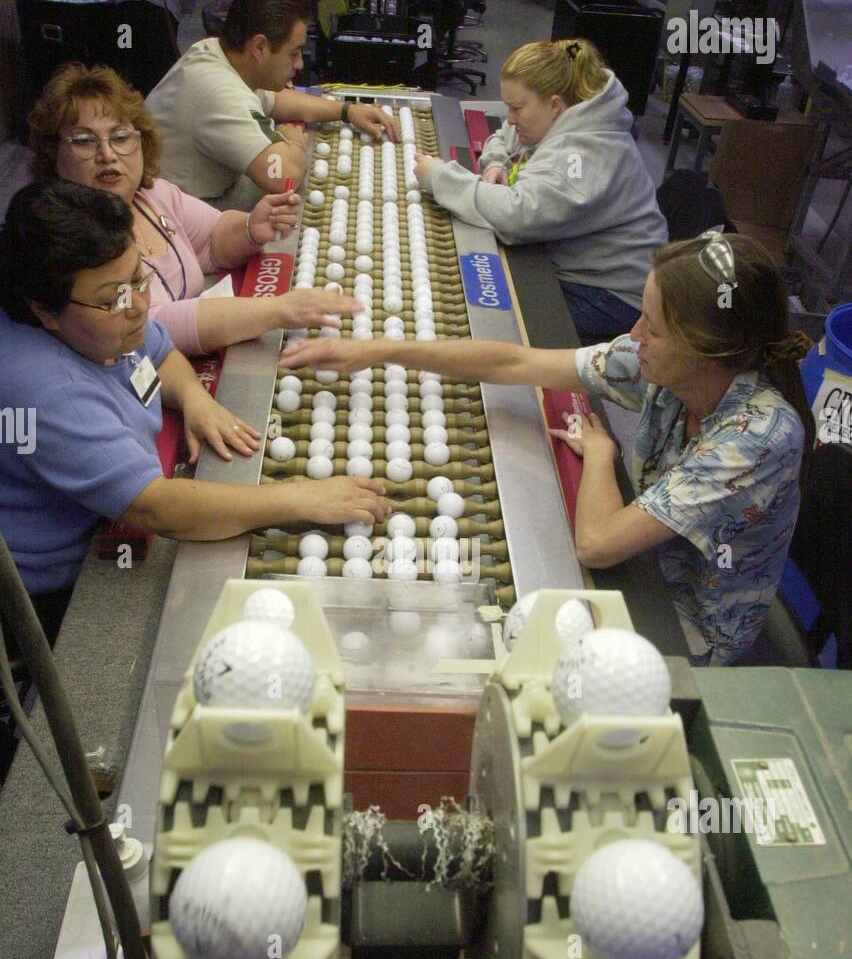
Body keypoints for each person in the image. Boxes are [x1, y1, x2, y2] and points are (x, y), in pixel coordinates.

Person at [280, 233, 814, 666]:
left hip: (685, 626)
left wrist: (601, 456)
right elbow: (514, 364)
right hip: (649, 555)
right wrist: (376, 351)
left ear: (708, 348)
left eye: (651, 325)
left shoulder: (757, 437)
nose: (633, 334)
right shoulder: (668, 364)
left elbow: (597, 544)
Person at [0, 181, 389, 611]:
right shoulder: (46, 391)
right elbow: (157, 509)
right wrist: (302, 498)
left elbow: (159, 351)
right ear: (44, 310)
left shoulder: (102, 317)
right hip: (58, 586)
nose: (139, 306)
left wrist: (193, 398)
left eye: (138, 278)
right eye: (115, 298)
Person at [29, 63, 359, 357]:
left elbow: (210, 240)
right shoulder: (67, 238)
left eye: (120, 137)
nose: (107, 154)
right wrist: (278, 310)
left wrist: (250, 228)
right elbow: (152, 326)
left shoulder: (151, 195)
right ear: (52, 153)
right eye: (85, 141)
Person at [413, 38, 668, 346]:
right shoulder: (562, 115)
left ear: (554, 104)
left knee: (500, 332)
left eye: (517, 108)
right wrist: (496, 162)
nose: (509, 117)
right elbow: (504, 135)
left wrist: (440, 178)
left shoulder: (582, 157)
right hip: (570, 258)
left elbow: (516, 216)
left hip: (607, 294)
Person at [146, 0, 399, 210]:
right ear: (259, 47)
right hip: (174, 219)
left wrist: (347, 110)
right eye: (294, 53)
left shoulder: (218, 53)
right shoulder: (219, 94)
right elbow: (284, 176)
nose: (299, 64)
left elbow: (275, 100)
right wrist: (296, 145)